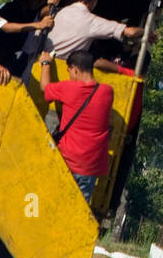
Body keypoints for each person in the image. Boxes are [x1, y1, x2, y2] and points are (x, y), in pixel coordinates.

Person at [38, 50, 113, 202]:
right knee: (75, 215)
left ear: (76, 69)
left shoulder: (69, 88)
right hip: (90, 169)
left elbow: (44, 87)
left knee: (50, 204)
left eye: (70, 71)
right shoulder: (108, 92)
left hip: (67, 162)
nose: (70, 76)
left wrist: (45, 63)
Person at [44, 0, 153, 74]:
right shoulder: (91, 21)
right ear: (94, 1)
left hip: (41, 61)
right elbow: (131, 32)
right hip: (63, 71)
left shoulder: (59, 11)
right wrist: (147, 32)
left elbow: (42, 14)